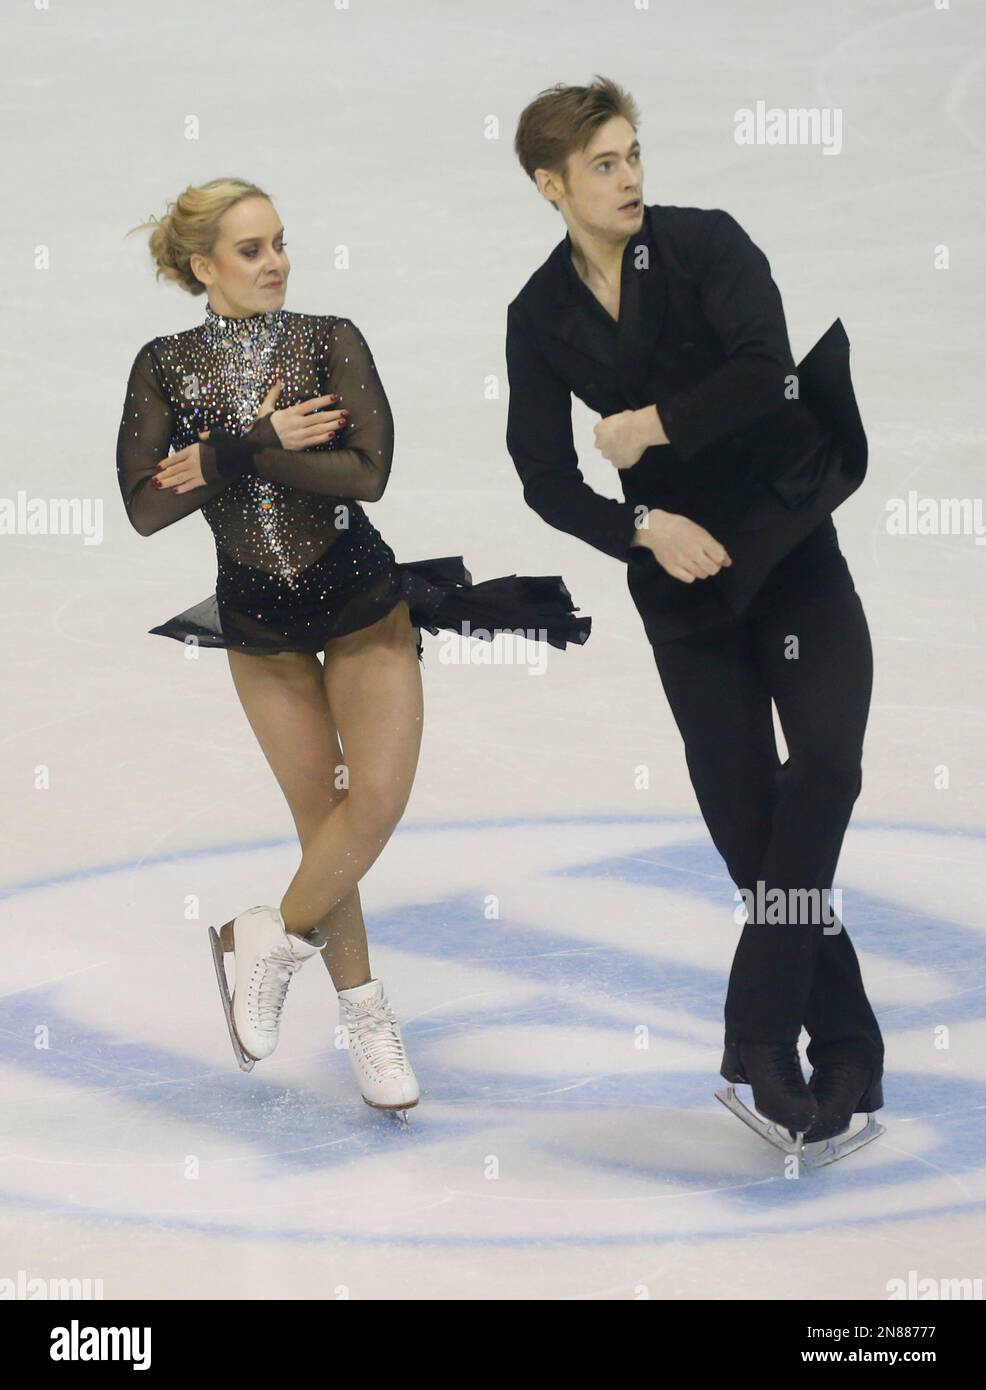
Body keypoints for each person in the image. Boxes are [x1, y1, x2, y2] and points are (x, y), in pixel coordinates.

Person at [117, 178, 591, 1116]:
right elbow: (144, 505)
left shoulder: (328, 339)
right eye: (251, 250)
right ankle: (366, 1015)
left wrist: (214, 456)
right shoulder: (164, 365)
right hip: (257, 625)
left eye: (280, 242)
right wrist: (251, 445)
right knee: (323, 827)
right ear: (204, 266)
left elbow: (365, 473)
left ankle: (261, 937)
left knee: (370, 803)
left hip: (362, 601)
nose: (276, 262)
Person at [504, 77, 885, 1159]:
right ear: (551, 184)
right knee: (746, 830)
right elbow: (540, 475)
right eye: (603, 165)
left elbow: (765, 372)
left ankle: (756, 1036)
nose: (629, 178)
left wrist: (647, 425)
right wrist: (641, 530)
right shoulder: (537, 318)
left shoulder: (706, 244)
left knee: (824, 768)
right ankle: (847, 1044)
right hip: (685, 593)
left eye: (632, 155)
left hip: (790, 550)